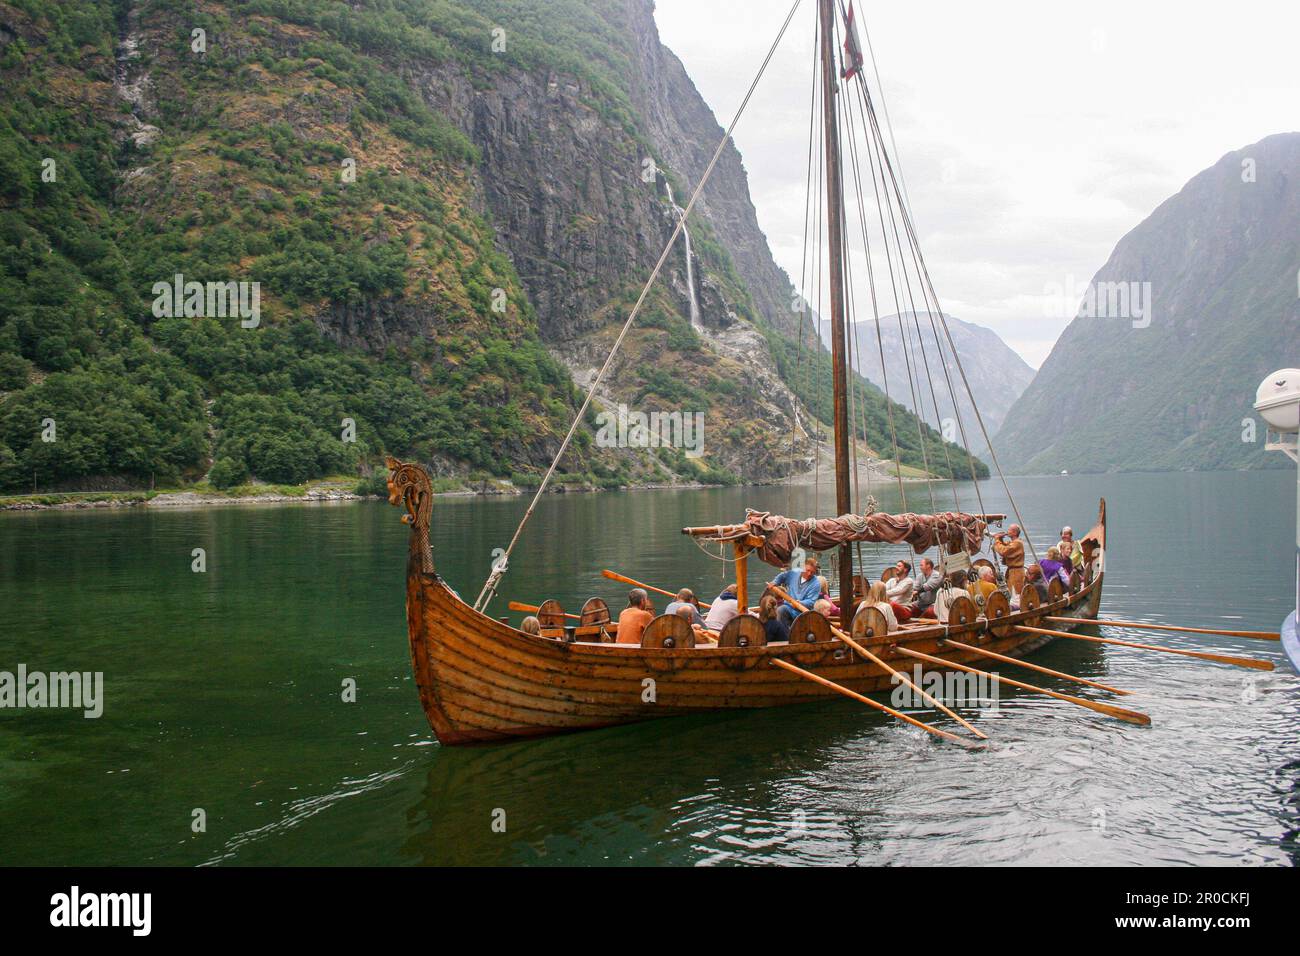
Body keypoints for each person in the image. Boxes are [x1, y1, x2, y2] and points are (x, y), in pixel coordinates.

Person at [770, 556, 826, 627]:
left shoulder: (816, 584)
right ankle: (784, 635)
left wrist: (801, 603)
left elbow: (811, 601)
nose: (809, 574)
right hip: (788, 607)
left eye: (812, 572)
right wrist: (775, 582)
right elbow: (782, 576)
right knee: (780, 610)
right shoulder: (794, 573)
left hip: (803, 612)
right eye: (807, 570)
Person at [993, 525, 1026, 593]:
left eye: (1009, 530)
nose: (1007, 531)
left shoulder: (1017, 543)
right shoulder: (1013, 543)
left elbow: (1004, 551)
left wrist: (996, 540)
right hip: (1012, 572)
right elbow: (1006, 546)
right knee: (1011, 590)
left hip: (1016, 573)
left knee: (1015, 592)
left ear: (1014, 533)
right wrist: (1000, 539)